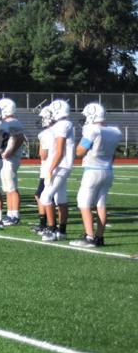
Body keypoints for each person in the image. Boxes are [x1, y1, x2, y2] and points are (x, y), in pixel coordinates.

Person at [72, 102, 120, 248]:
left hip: (92, 171)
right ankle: (99, 236)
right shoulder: (115, 131)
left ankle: (89, 237)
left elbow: (80, 152)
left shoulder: (92, 130)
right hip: (107, 170)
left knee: (83, 203)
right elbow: (113, 155)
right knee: (101, 204)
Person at [38, 99, 75, 242]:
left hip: (59, 165)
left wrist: (51, 168)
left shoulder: (61, 125)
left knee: (45, 197)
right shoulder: (64, 124)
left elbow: (59, 151)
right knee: (61, 198)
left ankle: (52, 229)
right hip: (62, 165)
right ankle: (62, 231)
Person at [0, 98, 26, 226]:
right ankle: (10, 213)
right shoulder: (9, 122)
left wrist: (10, 152)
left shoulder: (13, 122)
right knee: (7, 187)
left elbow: (19, 138)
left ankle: (15, 215)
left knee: (12, 187)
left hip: (10, 159)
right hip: (6, 158)